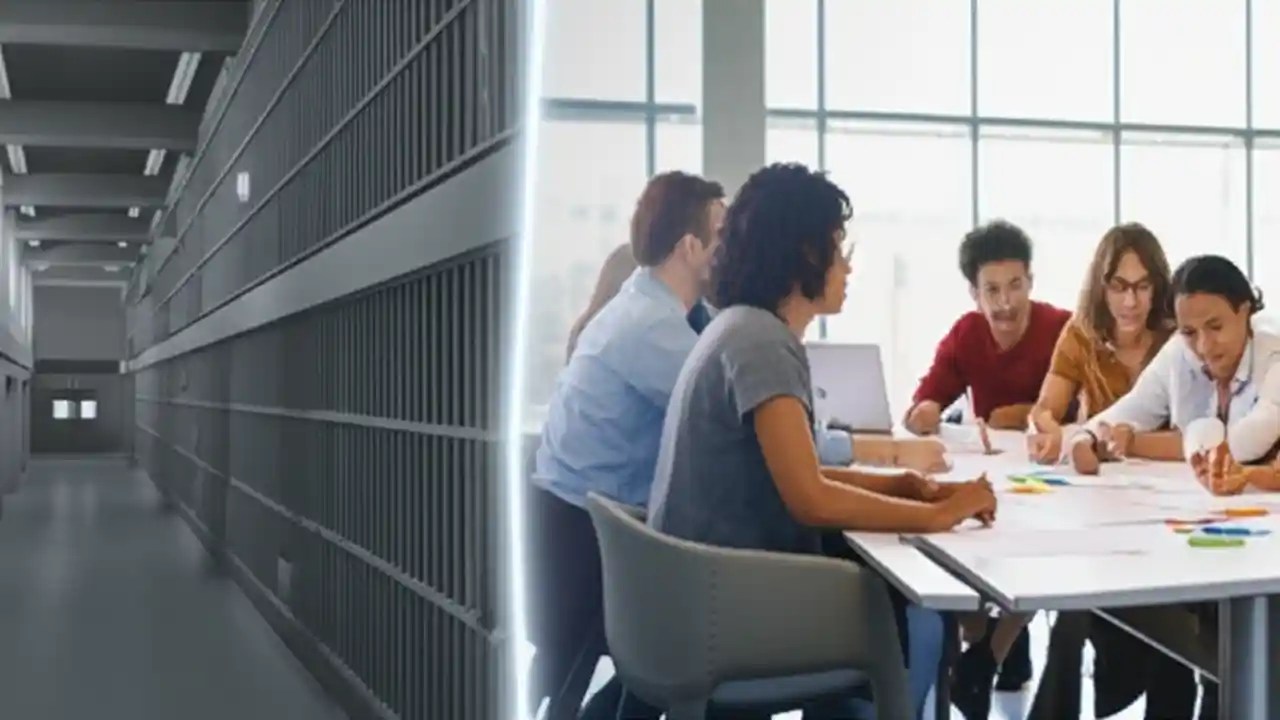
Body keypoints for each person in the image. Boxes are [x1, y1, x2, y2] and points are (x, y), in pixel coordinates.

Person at [648, 163, 998, 720]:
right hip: (727, 613)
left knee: (887, 589)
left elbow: (793, 469)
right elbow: (808, 497)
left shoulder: (739, 327)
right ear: (806, 254)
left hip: (699, 596)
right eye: (838, 247)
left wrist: (906, 487)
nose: (848, 265)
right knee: (924, 614)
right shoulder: (763, 341)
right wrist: (940, 514)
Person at [963, 223, 1193, 719]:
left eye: (1142, 286)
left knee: (1106, 604)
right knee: (1064, 575)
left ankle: (989, 660)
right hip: (1103, 492)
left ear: (1158, 286)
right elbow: (1046, 409)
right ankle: (995, 664)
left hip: (1172, 499)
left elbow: (1192, 436)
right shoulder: (1083, 333)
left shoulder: (1179, 337)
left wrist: (1117, 442)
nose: (1129, 301)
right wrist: (1045, 428)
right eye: (1118, 286)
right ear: (1101, 286)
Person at [526, 171, 726, 720]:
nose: (731, 249)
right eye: (723, 234)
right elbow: (730, 424)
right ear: (690, 247)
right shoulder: (650, 326)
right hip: (586, 542)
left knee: (667, 657)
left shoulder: (647, 308)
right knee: (691, 644)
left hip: (579, 526)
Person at [1053, 254, 1280, 720]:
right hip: (1208, 538)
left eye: (1216, 326)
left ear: (1246, 311)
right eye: (1189, 332)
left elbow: (1237, 443)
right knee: (1088, 608)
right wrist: (1086, 439)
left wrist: (1137, 442)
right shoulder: (1183, 351)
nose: (1203, 346)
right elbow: (1116, 415)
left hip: (1262, 558)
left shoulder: (1274, 355)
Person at [905, 220, 1072, 435]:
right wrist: (925, 410)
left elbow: (1094, 408)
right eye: (992, 290)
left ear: (1030, 281)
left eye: (1015, 285)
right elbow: (928, 397)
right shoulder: (967, 334)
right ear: (975, 293)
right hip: (991, 459)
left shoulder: (1064, 329)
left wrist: (1025, 414)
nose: (1006, 302)